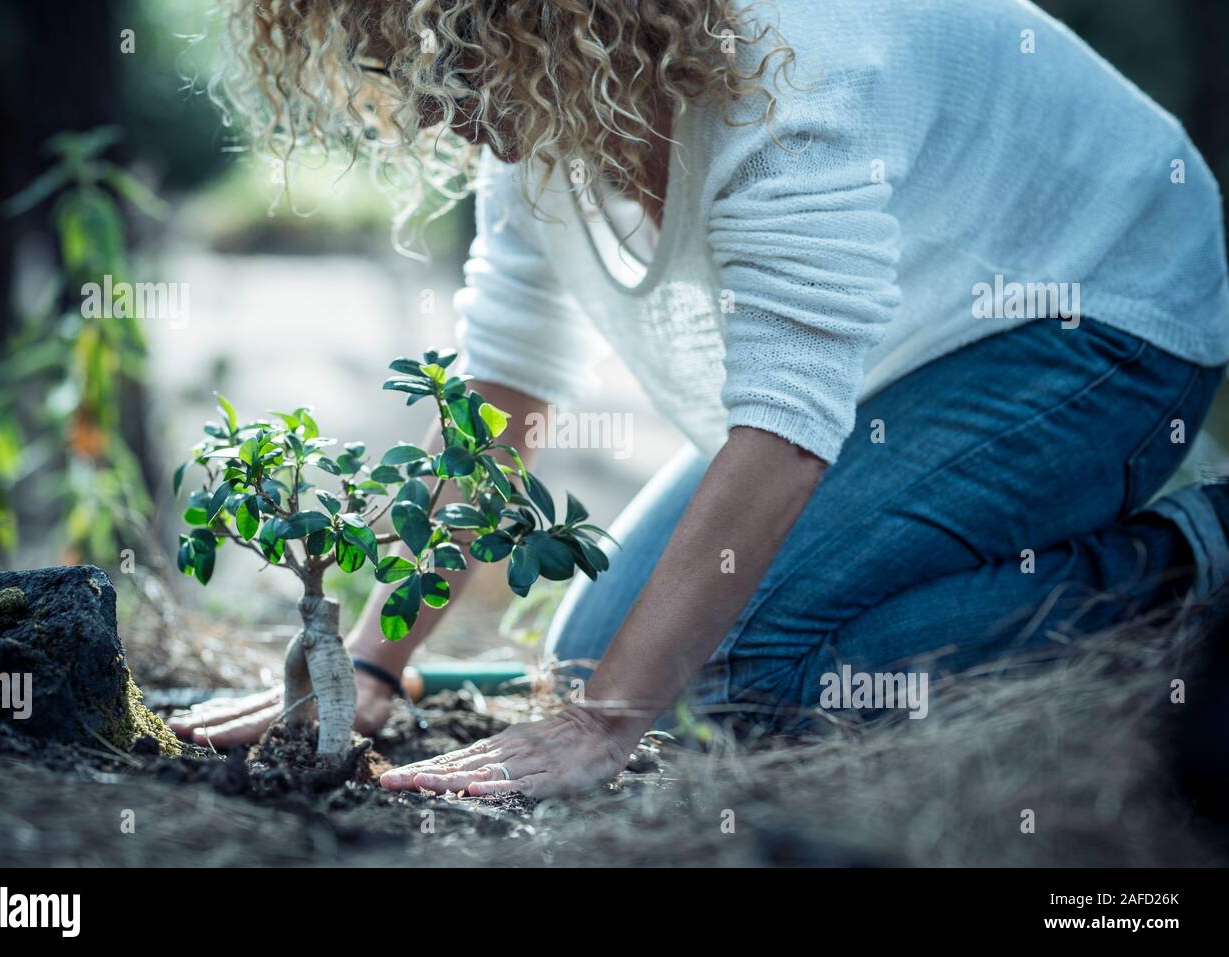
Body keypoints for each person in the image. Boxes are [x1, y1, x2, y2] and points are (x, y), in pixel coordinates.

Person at [170, 0, 1229, 798]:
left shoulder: (794, 65)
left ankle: (1182, 559)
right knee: (598, 653)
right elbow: (500, 389)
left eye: (455, 54)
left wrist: (600, 728)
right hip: (913, 348)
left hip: (1104, 310)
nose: (433, 101)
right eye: (412, 54)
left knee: (738, 682)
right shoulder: (546, 99)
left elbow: (784, 425)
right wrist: (370, 663)